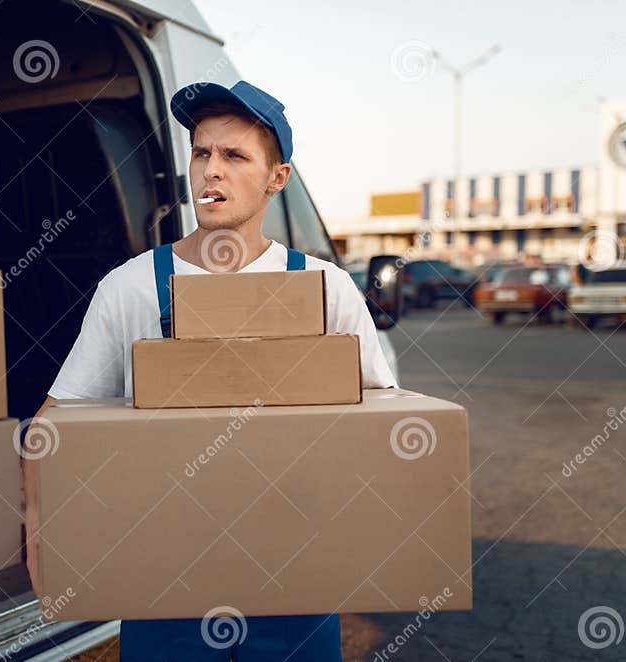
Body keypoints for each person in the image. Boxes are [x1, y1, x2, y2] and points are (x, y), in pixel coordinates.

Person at [23, 79, 397, 661]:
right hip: (166, 583)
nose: (211, 170)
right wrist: (38, 529)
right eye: (201, 153)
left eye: (234, 156)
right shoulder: (131, 287)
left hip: (294, 579)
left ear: (278, 177)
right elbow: (55, 423)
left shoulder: (327, 288)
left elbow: (376, 425)